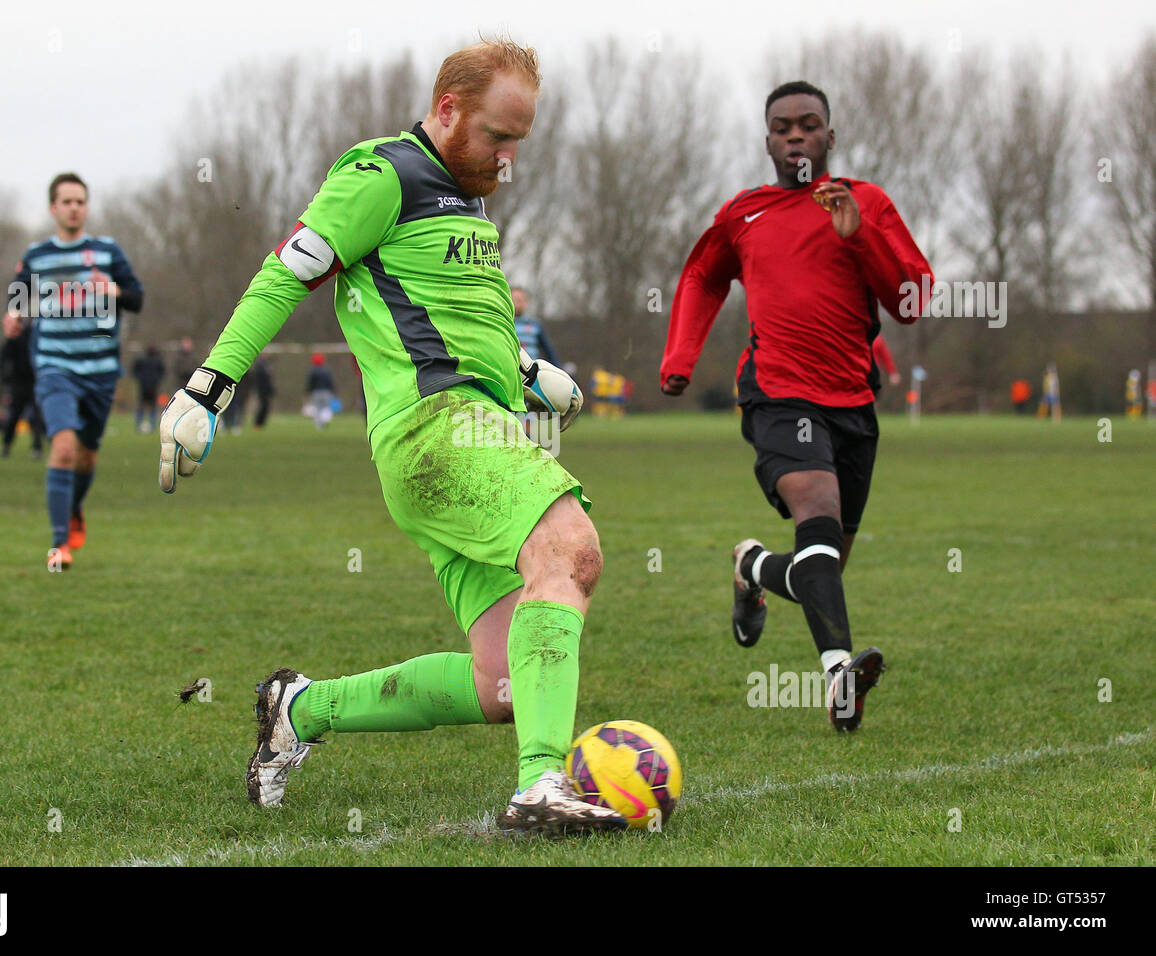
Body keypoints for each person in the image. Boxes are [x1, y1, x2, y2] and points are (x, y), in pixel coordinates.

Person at [158, 38, 618, 835]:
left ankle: (301, 709)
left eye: (520, 142)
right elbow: (283, 274)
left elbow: (448, 319)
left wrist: (524, 370)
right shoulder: (382, 174)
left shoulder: (467, 196)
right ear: (447, 110)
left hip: (475, 428)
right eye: (498, 137)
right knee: (570, 549)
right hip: (436, 430)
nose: (508, 159)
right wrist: (208, 389)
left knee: (502, 685)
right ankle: (543, 786)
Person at [660, 81, 933, 732]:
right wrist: (679, 356)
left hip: (854, 405)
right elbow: (703, 275)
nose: (795, 136)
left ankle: (751, 567)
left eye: (808, 125)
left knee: (824, 566)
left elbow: (914, 300)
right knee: (816, 511)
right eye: (782, 127)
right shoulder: (744, 214)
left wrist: (860, 236)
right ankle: (839, 677)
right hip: (777, 392)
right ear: (768, 141)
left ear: (830, 137)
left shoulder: (866, 204)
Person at [2, 172, 143, 569]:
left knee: (85, 458)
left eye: (80, 201)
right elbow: (18, 301)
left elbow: (137, 297)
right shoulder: (36, 256)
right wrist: (12, 317)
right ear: (53, 208)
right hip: (54, 367)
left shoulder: (107, 251)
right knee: (62, 448)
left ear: (87, 206)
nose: (74, 207)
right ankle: (59, 544)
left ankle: (74, 507)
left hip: (100, 371)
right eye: (66, 201)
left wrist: (114, 291)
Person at [0, 322, 43, 457]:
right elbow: (3, 358)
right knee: (14, 416)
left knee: (36, 417)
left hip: (34, 382)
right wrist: (5, 376)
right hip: (18, 383)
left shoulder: (37, 336)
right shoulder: (15, 338)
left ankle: (37, 447)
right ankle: (7, 445)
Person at [512, 287, 559, 365]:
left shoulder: (535, 325)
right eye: (514, 300)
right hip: (511, 369)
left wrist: (558, 369)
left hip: (531, 371)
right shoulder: (503, 323)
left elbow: (548, 351)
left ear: (526, 302)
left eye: (520, 300)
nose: (517, 304)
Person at [132, 345, 166, 433]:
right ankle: (138, 425)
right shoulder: (142, 360)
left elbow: (162, 372)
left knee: (152, 407)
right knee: (142, 406)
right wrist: (140, 379)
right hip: (143, 386)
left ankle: (153, 425)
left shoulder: (158, 360)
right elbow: (135, 370)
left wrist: (157, 380)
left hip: (153, 387)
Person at [304, 352, 336, 429]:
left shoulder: (312, 371)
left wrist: (307, 391)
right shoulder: (327, 370)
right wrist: (333, 390)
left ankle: (319, 426)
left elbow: (310, 383)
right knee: (326, 407)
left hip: (316, 392)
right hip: (327, 392)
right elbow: (330, 382)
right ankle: (325, 418)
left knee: (317, 408)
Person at [251, 359, 275, 428]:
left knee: (265, 406)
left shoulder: (264, 366)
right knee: (262, 406)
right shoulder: (260, 368)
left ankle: (260, 422)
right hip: (262, 390)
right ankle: (258, 422)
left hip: (265, 390)